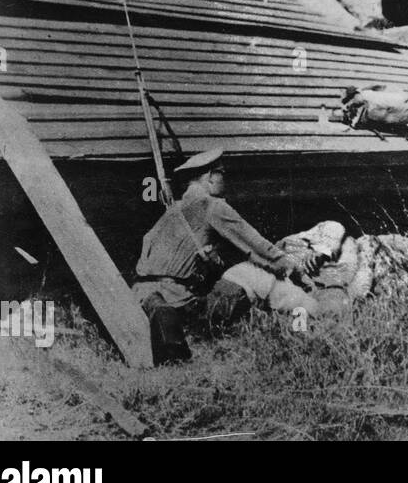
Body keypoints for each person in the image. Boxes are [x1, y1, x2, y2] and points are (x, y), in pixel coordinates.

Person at [132, 149, 317, 365]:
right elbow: (257, 246)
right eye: (222, 173)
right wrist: (295, 270)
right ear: (210, 176)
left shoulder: (174, 210)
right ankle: (303, 321)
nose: (225, 179)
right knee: (248, 279)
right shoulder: (212, 205)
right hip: (177, 301)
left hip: (140, 294)